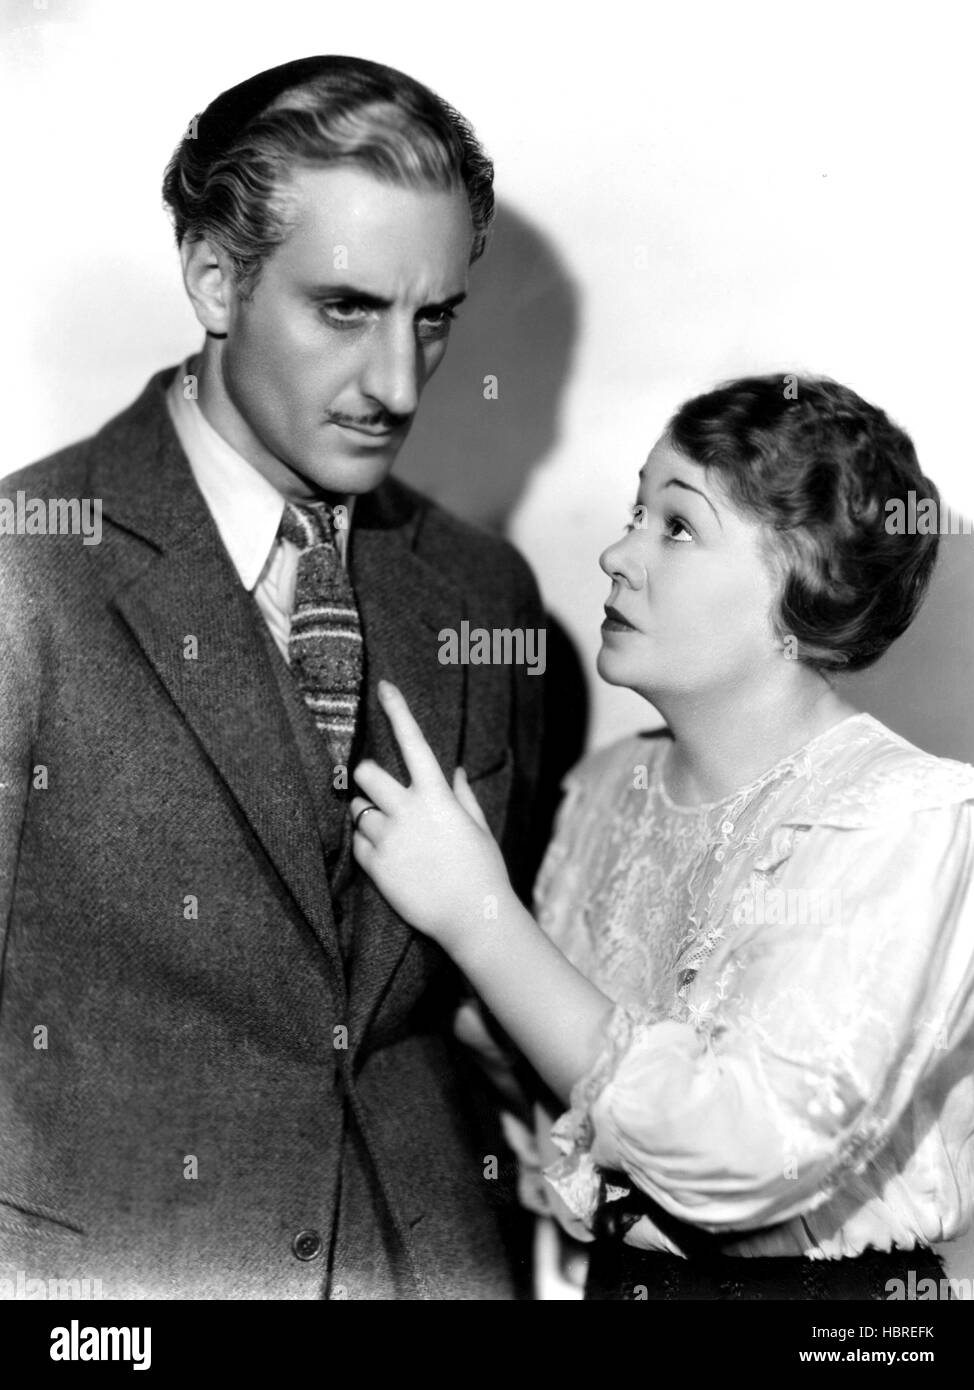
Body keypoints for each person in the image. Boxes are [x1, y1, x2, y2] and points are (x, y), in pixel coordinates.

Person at [0, 56, 544, 1300]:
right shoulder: (22, 567)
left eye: (436, 316)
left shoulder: (482, 592)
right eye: (345, 307)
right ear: (212, 276)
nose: (401, 386)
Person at [350, 374, 974, 1299]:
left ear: (806, 580)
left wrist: (479, 917)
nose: (616, 554)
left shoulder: (906, 821)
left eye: (677, 526)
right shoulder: (607, 790)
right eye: (634, 513)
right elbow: (564, 1090)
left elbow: (742, 1149)